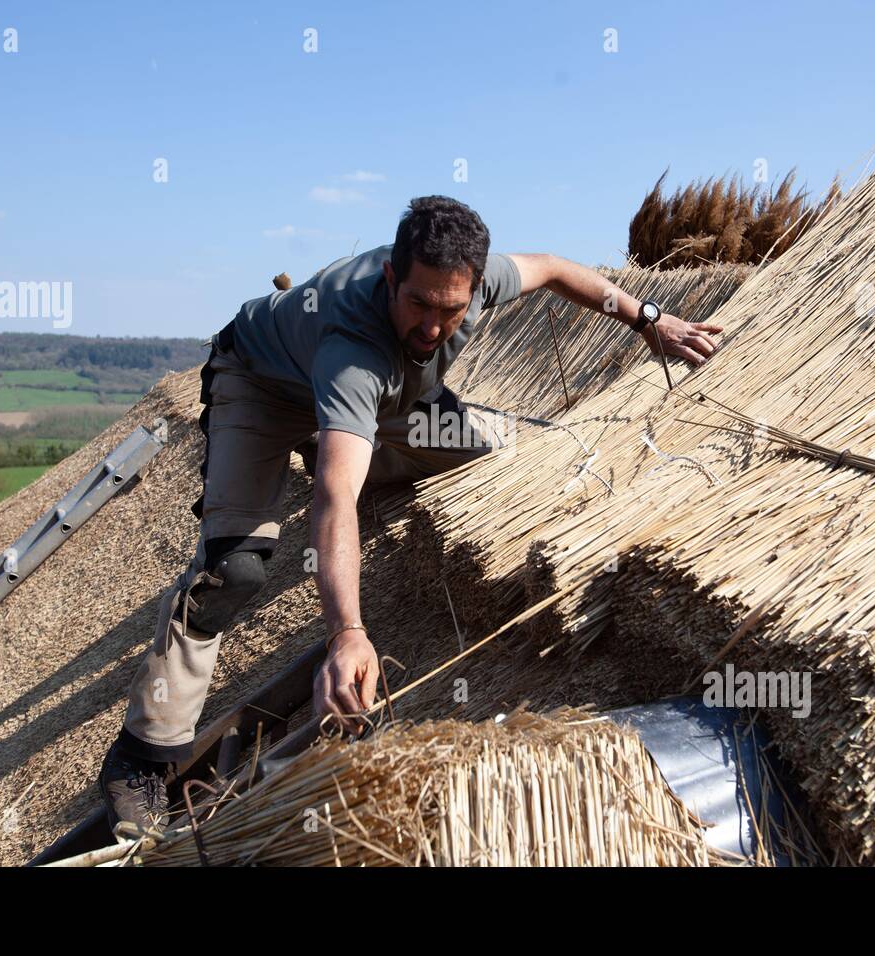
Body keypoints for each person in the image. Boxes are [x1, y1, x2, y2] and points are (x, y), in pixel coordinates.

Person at [98, 195, 722, 831]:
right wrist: (346, 632)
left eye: (450, 310)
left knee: (487, 451)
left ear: (476, 288)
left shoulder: (473, 285)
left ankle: (344, 442)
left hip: (395, 402)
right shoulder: (354, 352)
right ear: (392, 278)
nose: (432, 325)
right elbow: (333, 500)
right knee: (234, 571)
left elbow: (557, 268)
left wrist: (651, 319)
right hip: (261, 385)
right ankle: (142, 753)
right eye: (418, 303)